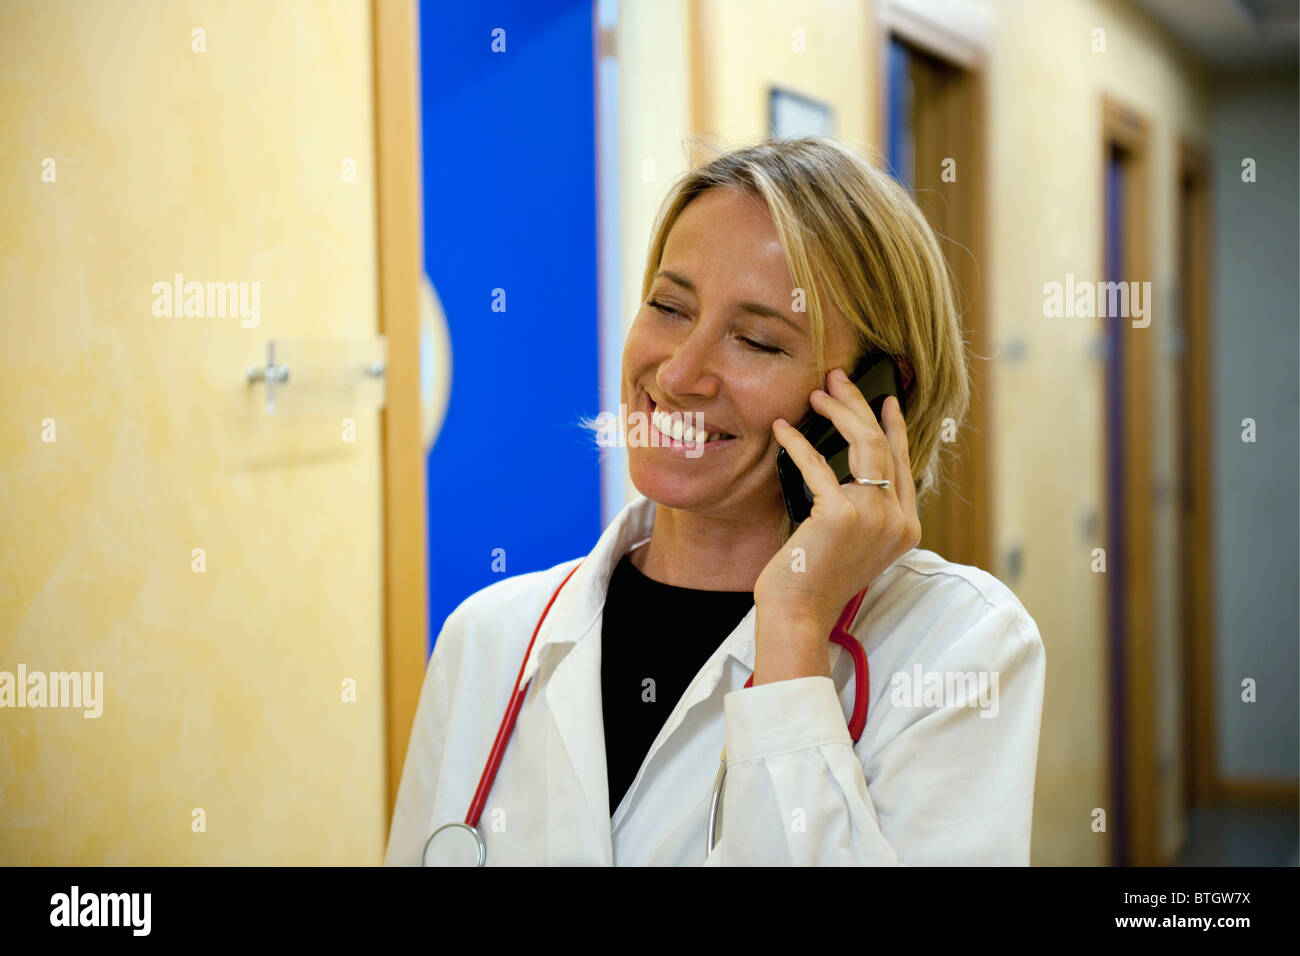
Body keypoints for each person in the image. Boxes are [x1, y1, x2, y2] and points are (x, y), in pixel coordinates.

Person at [384, 136, 1045, 866]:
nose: (679, 372)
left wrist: (793, 627)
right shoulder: (490, 637)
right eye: (669, 306)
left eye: (757, 341)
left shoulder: (959, 647)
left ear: (876, 393)